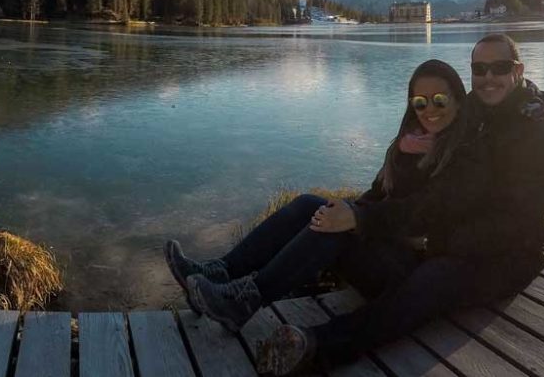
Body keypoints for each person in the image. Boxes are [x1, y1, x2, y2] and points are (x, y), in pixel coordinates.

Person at [257, 33, 544, 376]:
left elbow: (519, 225)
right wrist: (402, 160)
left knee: (434, 277)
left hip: (511, 257)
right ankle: (228, 283)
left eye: (499, 67)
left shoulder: (540, 136)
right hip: (448, 237)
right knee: (316, 209)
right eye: (479, 69)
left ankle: (321, 346)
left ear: (518, 69)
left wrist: (436, 242)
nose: (488, 77)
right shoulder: (472, 111)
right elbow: (422, 193)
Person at [164, 58, 472, 333]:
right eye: (420, 102)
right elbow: (378, 196)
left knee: (337, 228)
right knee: (309, 205)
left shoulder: (464, 154)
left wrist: (356, 218)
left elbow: (421, 212)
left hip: (411, 274)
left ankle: (243, 302)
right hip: (385, 246)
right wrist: (351, 207)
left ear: (458, 101)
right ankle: (220, 273)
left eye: (439, 100)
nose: (429, 109)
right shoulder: (411, 143)